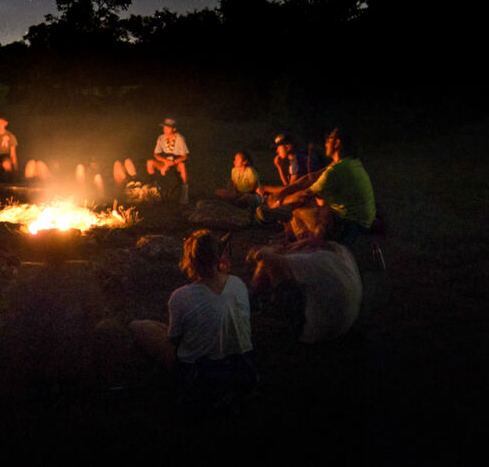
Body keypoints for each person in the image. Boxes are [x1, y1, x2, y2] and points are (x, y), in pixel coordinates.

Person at [129, 230, 256, 404]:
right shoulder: (237, 284)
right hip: (243, 368)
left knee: (140, 326)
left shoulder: (181, 296)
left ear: (191, 259)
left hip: (202, 374)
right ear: (218, 257)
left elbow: (174, 340)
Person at [247, 206, 362, 343]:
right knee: (282, 264)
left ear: (315, 231)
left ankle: (249, 299)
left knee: (271, 265)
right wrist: (294, 246)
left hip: (316, 332)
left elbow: (263, 256)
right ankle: (255, 299)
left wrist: (270, 250)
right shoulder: (340, 250)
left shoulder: (315, 260)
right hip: (342, 326)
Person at [264, 129, 376, 241]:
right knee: (304, 201)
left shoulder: (335, 170)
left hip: (350, 225)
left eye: (328, 140)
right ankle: (296, 237)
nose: (325, 144)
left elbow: (305, 194)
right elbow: (310, 178)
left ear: (336, 143)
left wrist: (279, 202)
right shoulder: (348, 162)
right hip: (361, 221)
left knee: (299, 205)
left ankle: (304, 242)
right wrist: (282, 194)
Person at [145, 116, 191, 199]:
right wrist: (165, 162)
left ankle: (184, 192)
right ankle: (153, 187)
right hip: (165, 162)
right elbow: (156, 154)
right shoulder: (161, 138)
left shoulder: (180, 139)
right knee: (150, 162)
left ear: (174, 129)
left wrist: (171, 163)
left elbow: (184, 157)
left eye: (168, 128)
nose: (165, 130)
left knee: (182, 166)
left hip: (176, 163)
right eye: (164, 128)